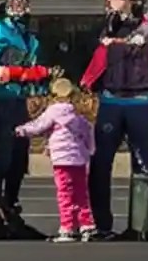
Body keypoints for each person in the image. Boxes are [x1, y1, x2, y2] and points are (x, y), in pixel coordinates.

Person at [79, 0, 148, 241]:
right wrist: (89, 80)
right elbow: (101, 57)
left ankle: (142, 223)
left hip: (142, 102)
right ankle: (100, 223)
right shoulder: (109, 25)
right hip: (111, 99)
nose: (109, 4)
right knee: (100, 163)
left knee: (142, 165)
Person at [0, 0, 58, 240]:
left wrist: (42, 84)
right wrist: (25, 74)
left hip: (18, 101)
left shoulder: (27, 35)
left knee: (19, 160)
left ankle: (10, 211)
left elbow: (35, 70)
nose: (23, 4)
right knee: (2, 158)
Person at [14, 77, 96, 242]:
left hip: (61, 161)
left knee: (64, 194)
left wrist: (20, 130)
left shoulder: (52, 112)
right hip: (79, 159)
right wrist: (89, 150)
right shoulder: (76, 114)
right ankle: (86, 225)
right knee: (81, 193)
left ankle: (67, 227)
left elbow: (38, 126)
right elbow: (88, 132)